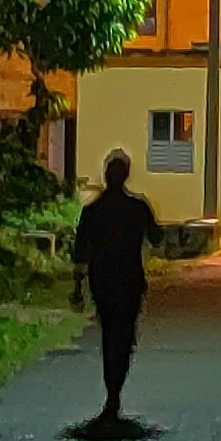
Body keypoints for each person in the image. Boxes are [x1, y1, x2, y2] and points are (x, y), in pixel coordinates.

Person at [70, 148, 164, 422]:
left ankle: (112, 392)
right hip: (130, 281)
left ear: (105, 175)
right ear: (126, 176)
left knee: (108, 333)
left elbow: (80, 252)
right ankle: (115, 389)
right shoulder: (137, 208)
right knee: (124, 335)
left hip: (103, 281)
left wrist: (77, 285)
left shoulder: (93, 211)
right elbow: (157, 238)